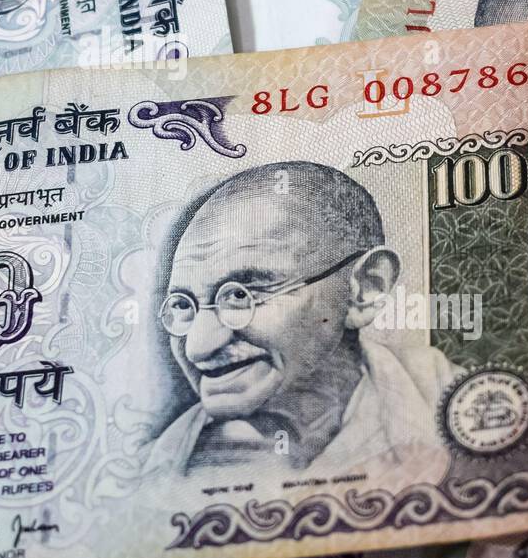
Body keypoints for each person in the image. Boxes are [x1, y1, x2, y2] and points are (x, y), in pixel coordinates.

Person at [145, 161, 459, 477]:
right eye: (184, 306)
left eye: (243, 296)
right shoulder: (137, 482)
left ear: (365, 288)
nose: (197, 348)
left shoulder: (463, 412)